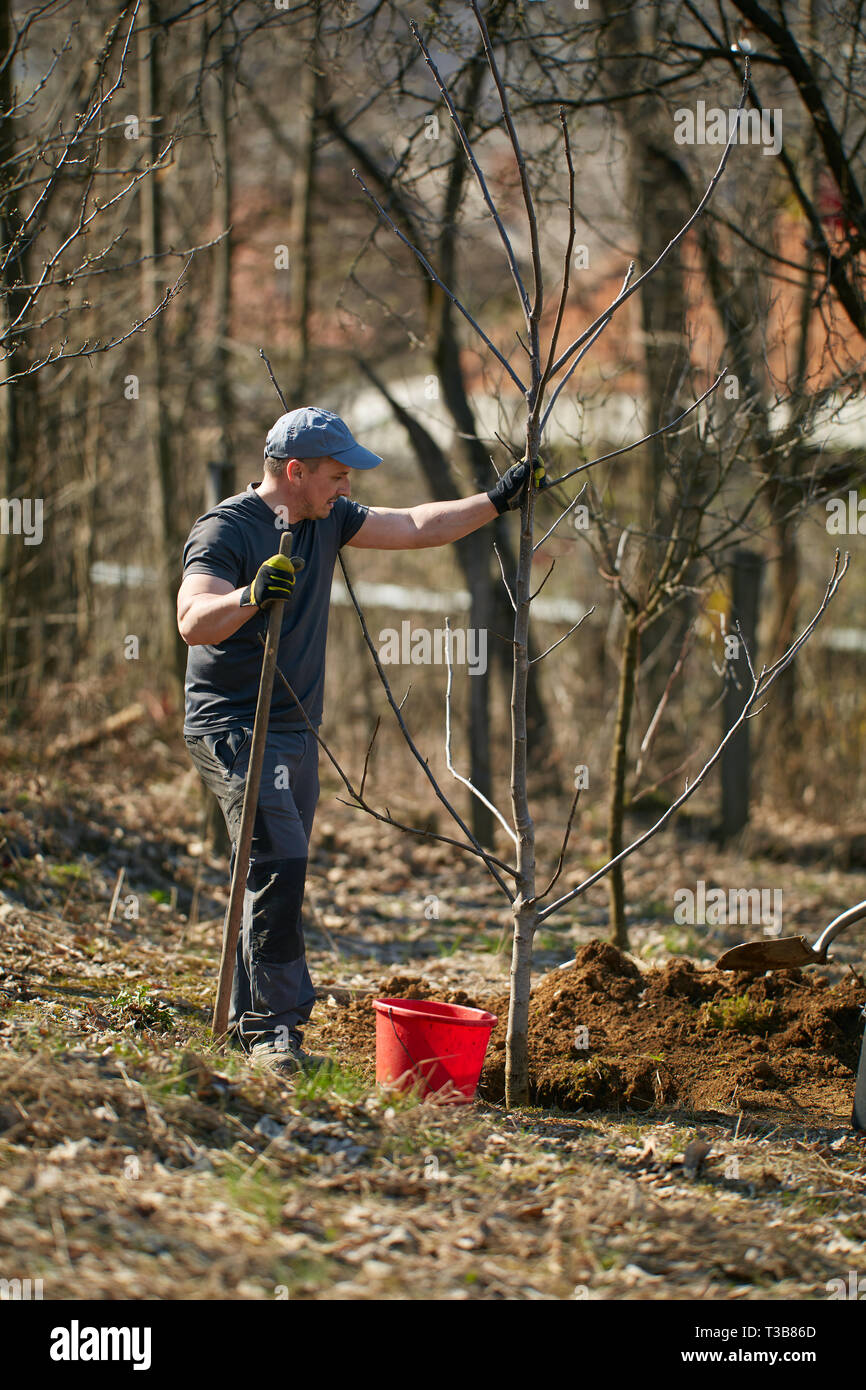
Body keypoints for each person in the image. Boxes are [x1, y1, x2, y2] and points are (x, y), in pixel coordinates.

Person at [177, 405, 543, 1076]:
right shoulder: (227, 528)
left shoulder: (328, 519)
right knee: (279, 860)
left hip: (292, 726)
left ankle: (249, 1018)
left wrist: (496, 501)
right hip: (234, 723)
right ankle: (271, 1033)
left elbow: (412, 525)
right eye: (337, 474)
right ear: (296, 471)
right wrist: (252, 595)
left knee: (274, 867)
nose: (346, 486)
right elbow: (193, 620)